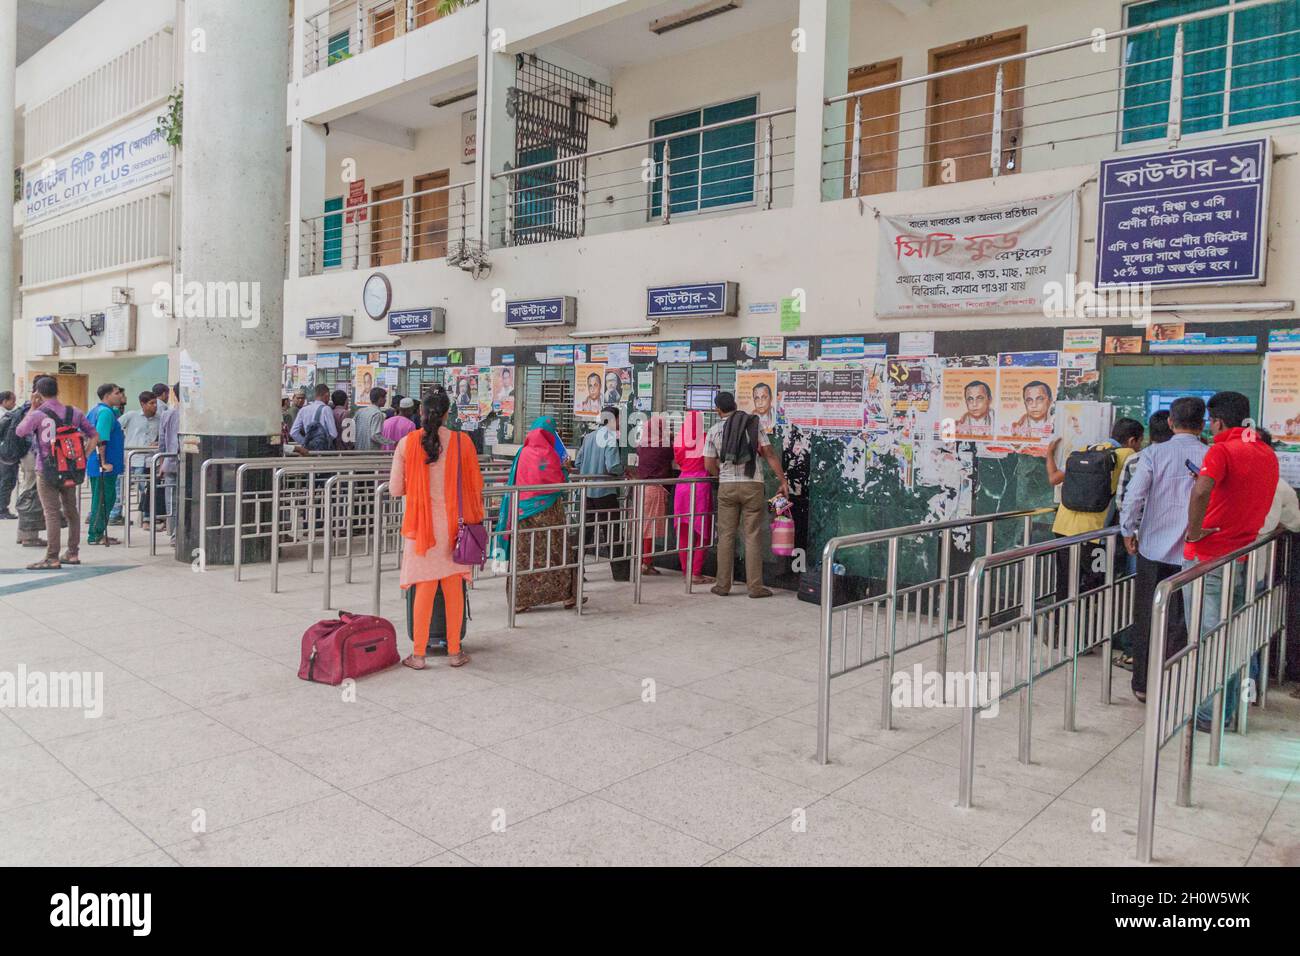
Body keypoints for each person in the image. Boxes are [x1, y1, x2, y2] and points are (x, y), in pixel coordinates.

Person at [1184, 391, 1279, 731]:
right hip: (1244, 557)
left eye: (1211, 421)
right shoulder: (1266, 452)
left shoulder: (1221, 449)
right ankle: (1228, 709)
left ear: (1219, 420)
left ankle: (1209, 716)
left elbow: (1200, 491)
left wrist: (1194, 533)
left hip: (1209, 559)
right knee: (1233, 636)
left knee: (1208, 640)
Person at [389, 391, 483, 669]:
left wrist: (418, 484)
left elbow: (395, 489)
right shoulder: (462, 442)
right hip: (455, 527)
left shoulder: (407, 444)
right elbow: (475, 483)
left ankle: (418, 654)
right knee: (454, 588)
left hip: (421, 528)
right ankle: (455, 652)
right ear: (446, 414)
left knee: (424, 589)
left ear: (421, 414)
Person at [1119, 398, 1206, 702]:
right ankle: (1177, 687)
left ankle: (1143, 684)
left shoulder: (1155, 453)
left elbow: (1134, 496)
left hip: (1153, 551)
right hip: (1192, 555)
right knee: (1182, 622)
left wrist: (1127, 531)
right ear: (1203, 423)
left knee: (1147, 617)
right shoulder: (1210, 455)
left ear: (1170, 422)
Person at [1043, 417, 1144, 640]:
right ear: (1132, 440)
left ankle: (1061, 633)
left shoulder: (1084, 451)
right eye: (1140, 442)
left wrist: (1049, 454)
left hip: (1063, 527)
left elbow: (1053, 478)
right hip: (1094, 533)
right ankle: (1085, 636)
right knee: (1094, 586)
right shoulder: (1128, 455)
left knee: (1065, 583)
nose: (1140, 447)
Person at [704, 391, 790, 598]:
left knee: (725, 536)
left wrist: (722, 476)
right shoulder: (753, 425)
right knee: (752, 535)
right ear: (735, 405)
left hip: (727, 487)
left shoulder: (714, 430)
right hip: (752, 484)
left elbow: (708, 464)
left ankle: (722, 586)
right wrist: (782, 480)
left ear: (718, 410)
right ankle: (755, 587)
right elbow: (769, 453)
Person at [494, 416, 580, 612]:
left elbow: (515, 479)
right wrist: (565, 470)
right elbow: (559, 482)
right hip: (550, 512)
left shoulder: (522, 453)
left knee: (524, 556)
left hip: (523, 512)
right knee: (558, 553)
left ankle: (520, 601)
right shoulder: (550, 454)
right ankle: (567, 596)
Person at [15, 376, 99, 569]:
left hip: (46, 470)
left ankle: (52, 557)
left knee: (51, 512)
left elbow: (20, 431)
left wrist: (33, 408)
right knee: (72, 511)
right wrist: (84, 456)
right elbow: (94, 435)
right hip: (71, 469)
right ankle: (72, 552)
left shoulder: (38, 414)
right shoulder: (74, 412)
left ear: (38, 392)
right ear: (57, 391)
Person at [575, 406, 630, 582]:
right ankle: (620, 574)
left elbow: (578, 462)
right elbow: (612, 465)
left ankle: (575, 571)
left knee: (584, 533)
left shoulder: (589, 437)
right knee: (613, 533)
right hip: (605, 493)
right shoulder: (610, 438)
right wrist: (623, 471)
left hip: (587, 492)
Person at [673, 410, 714, 584]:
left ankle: (685, 571)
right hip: (700, 485)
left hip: (682, 484)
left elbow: (679, 462)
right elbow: (711, 462)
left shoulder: (679, 438)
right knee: (702, 530)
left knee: (684, 530)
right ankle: (696, 572)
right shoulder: (705, 438)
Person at [85, 383, 127, 547]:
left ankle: (98, 532)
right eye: (117, 393)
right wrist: (103, 462)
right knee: (103, 500)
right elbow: (100, 439)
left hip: (100, 465)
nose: (120, 396)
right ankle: (95, 535)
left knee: (103, 498)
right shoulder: (105, 413)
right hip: (103, 466)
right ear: (107, 395)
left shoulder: (98, 410)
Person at [113, 390, 162, 528]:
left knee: (145, 489)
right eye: (151, 403)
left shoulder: (159, 419)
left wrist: (157, 442)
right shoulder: (131, 416)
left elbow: (161, 436)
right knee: (120, 487)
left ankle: (146, 517)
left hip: (146, 459)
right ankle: (115, 513)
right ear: (142, 404)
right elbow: (115, 427)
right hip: (129, 458)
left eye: (155, 403)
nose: (154, 406)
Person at [634, 413, 673, 576]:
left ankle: (643, 560)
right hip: (655, 489)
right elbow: (673, 454)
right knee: (649, 528)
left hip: (641, 488)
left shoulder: (641, 445)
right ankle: (646, 563)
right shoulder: (664, 447)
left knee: (643, 526)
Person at [158, 384, 181, 538]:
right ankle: (181, 534)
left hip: (170, 462)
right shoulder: (194, 414)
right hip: (188, 463)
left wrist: (161, 462)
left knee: (171, 501)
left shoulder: (167, 414)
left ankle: (174, 535)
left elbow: (162, 442)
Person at [290, 383, 338, 454]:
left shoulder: (303, 410)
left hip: (307, 451)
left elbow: (293, 432)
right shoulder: (326, 409)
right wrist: (324, 442)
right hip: (323, 453)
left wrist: (306, 442)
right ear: (327, 395)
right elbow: (333, 434)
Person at [0, 390, 18, 518]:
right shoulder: (5, 416)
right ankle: (2, 509)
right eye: (12, 400)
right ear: (4, 401)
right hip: (5, 455)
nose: (15, 403)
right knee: (7, 481)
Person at [353, 387, 387, 451]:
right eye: (384, 397)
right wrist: (390, 442)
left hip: (358, 449)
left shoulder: (360, 411)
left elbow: (352, 428)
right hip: (371, 452)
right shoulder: (377, 414)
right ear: (379, 399)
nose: (385, 400)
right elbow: (375, 436)